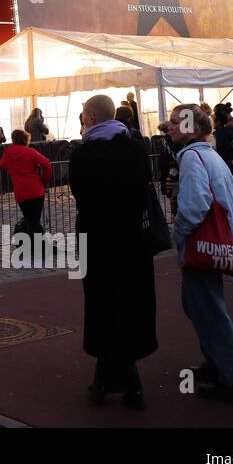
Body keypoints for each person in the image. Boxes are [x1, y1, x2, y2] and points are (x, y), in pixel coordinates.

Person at [69, 95, 157, 410]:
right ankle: (118, 381)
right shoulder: (135, 149)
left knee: (103, 307)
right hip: (132, 243)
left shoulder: (82, 156)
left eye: (83, 116)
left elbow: (79, 193)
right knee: (129, 307)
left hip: (97, 243)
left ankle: (116, 381)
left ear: (91, 118)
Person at [169, 105, 233, 404]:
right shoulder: (208, 154)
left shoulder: (192, 157)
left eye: (176, 123)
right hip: (214, 241)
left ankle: (232, 376)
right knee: (198, 304)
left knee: (207, 309)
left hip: (201, 244)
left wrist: (178, 234)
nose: (170, 127)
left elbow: (196, 203)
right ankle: (216, 363)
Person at [0, 129, 52, 238]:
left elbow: (3, 164)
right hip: (36, 190)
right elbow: (47, 164)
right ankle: (39, 247)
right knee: (34, 221)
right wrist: (44, 181)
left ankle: (35, 246)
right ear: (26, 140)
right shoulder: (30, 152)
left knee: (31, 220)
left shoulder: (8, 152)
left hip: (21, 192)